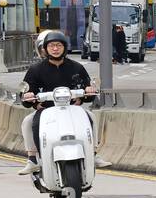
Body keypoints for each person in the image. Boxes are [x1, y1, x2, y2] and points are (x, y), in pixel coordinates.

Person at [17, 31, 103, 175]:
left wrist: (89, 90)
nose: (55, 49)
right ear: (45, 49)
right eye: (51, 46)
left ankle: (93, 154)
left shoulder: (77, 67)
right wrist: (28, 96)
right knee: (28, 122)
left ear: (64, 48)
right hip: (45, 111)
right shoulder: (35, 70)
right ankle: (32, 159)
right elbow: (25, 94)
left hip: (72, 109)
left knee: (90, 117)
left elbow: (88, 93)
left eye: (58, 45)